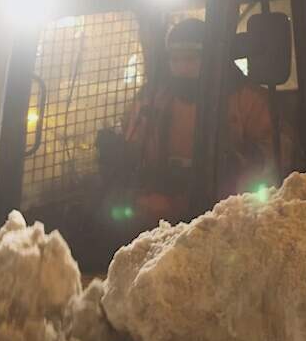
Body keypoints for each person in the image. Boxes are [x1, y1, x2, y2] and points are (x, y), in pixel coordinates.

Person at [117, 18, 274, 223]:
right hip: (162, 208)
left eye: (191, 58)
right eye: (175, 59)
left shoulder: (246, 98)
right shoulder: (154, 98)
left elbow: (279, 148)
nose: (182, 67)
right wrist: (120, 153)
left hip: (228, 211)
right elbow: (134, 141)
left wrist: (243, 162)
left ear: (211, 58)